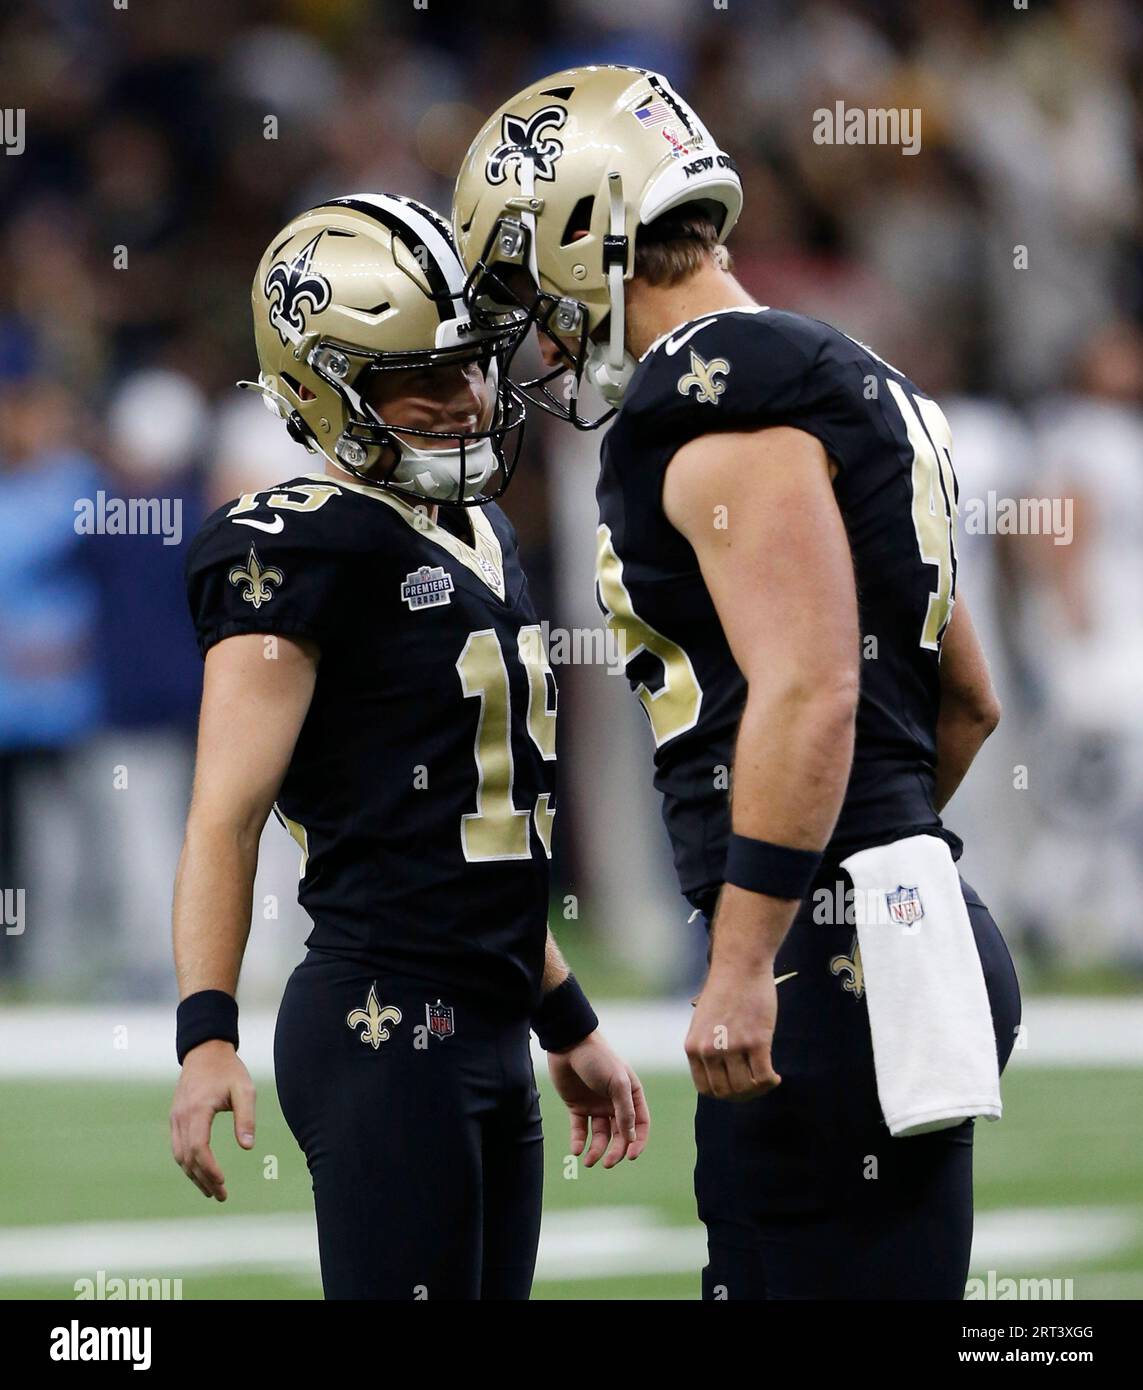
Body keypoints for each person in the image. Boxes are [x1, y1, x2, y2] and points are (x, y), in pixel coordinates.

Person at [453, 66, 1021, 1300]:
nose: (535, 329)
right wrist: (891, 848)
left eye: (524, 283)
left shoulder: (713, 407)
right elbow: (963, 697)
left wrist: (750, 951)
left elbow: (810, 684)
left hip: (826, 956)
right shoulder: (841, 370)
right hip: (901, 922)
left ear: (585, 229)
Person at [168, 192, 648, 1300]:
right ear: (317, 386)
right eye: (415, 379)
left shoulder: (483, 531)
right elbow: (224, 816)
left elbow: (476, 838)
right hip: (380, 1015)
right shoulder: (297, 549)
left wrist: (566, 1021)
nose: (463, 399)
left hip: (491, 1025)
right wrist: (205, 1036)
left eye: (472, 365)